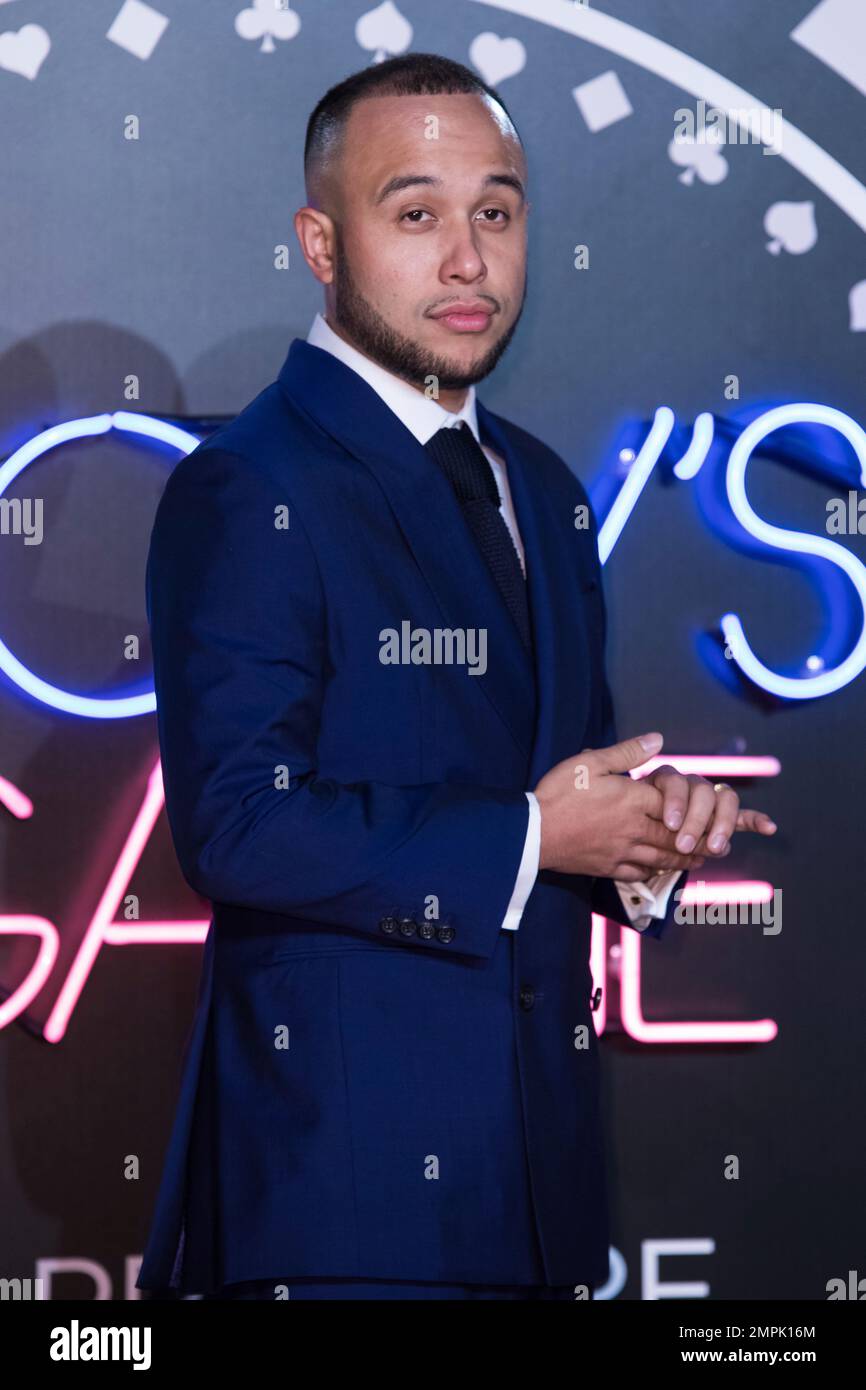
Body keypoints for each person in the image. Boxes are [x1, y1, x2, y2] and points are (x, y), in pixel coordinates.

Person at [136, 53, 776, 1302]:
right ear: (320, 244)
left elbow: (555, 791)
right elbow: (238, 822)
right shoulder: (249, 484)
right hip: (340, 1213)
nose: (469, 259)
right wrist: (535, 834)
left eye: (496, 210)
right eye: (416, 213)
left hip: (539, 1201)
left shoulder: (541, 484)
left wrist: (641, 836)